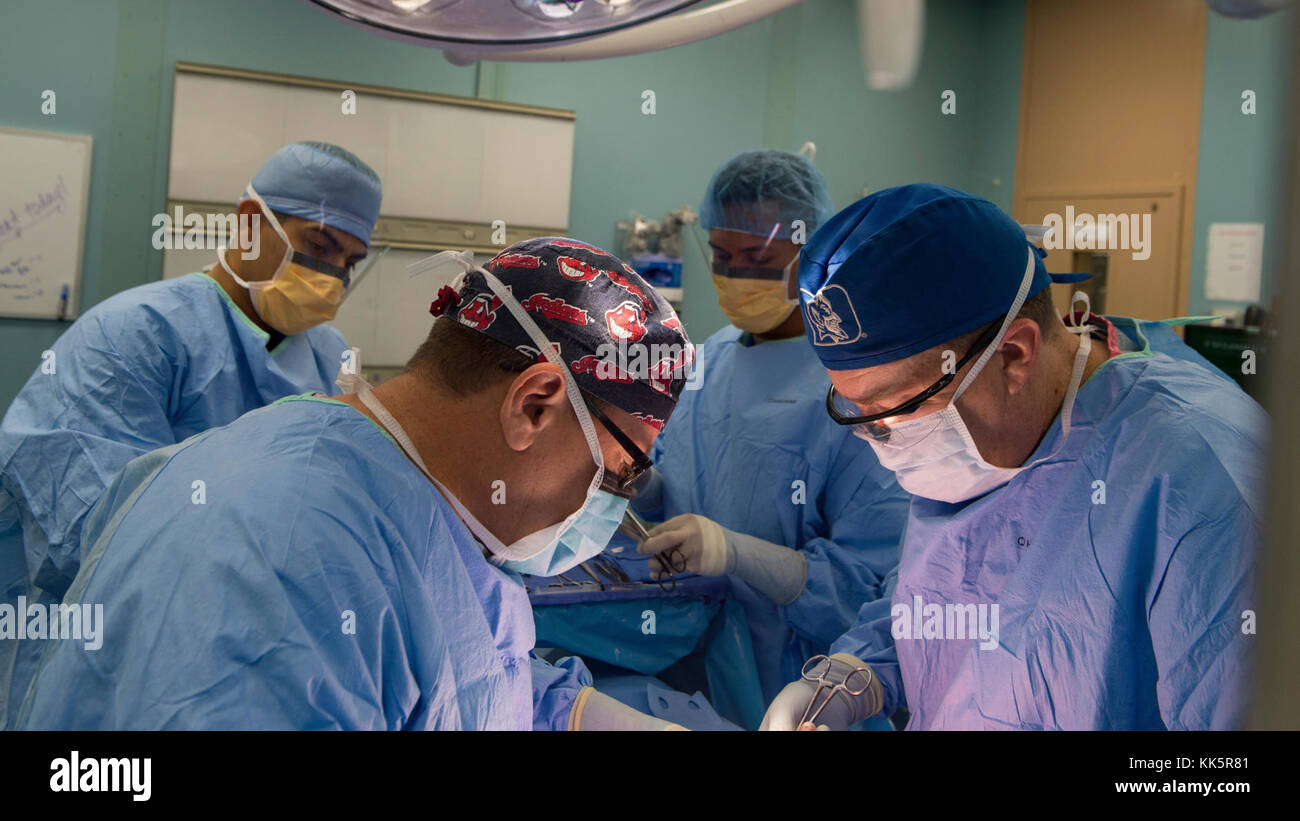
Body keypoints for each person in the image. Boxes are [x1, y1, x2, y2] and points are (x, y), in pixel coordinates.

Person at [17, 238, 694, 730]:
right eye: (620, 472)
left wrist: (578, 716)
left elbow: (466, 679)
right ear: (536, 404)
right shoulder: (288, 553)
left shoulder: (427, 512)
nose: (610, 504)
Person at [762, 183, 1266, 730]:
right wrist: (852, 676)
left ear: (1013, 355)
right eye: (857, 408)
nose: (881, 434)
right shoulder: (984, 442)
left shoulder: (1206, 478)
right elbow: (949, 595)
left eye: (893, 405)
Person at [0, 140, 383, 729]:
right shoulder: (132, 336)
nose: (334, 276)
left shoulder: (331, 359)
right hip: (102, 650)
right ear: (251, 226)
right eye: (320, 246)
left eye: (350, 262)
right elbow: (91, 536)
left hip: (255, 648)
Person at [634, 149, 909, 706]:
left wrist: (737, 555)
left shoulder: (855, 386)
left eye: (759, 257)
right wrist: (639, 483)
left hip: (800, 682)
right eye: (721, 255)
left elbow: (870, 588)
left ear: (812, 253)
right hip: (686, 671)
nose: (736, 274)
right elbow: (680, 490)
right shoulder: (710, 359)